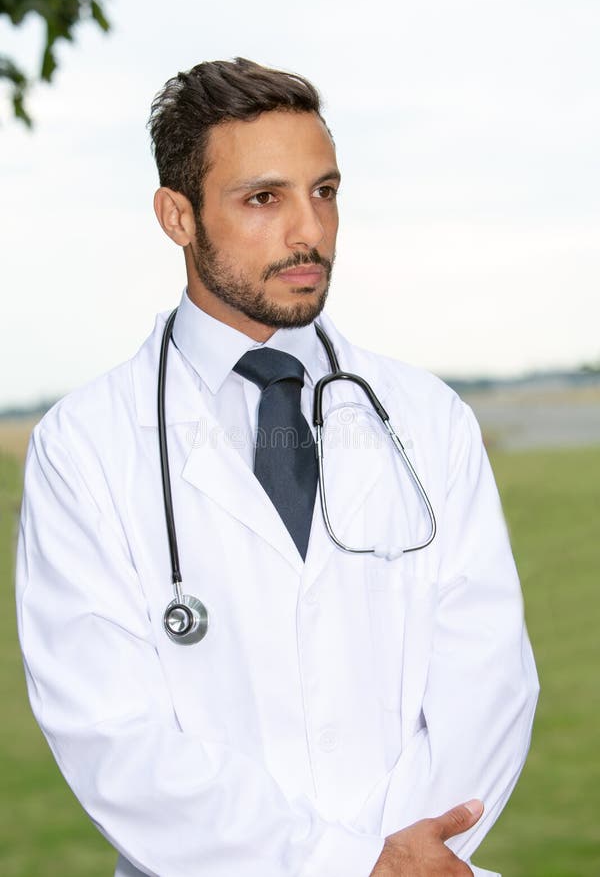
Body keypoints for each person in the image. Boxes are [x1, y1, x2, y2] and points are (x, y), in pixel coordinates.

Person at [15, 58, 539, 877]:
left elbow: (489, 682)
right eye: (265, 198)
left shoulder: (429, 417)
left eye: (324, 192)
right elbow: (112, 737)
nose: (310, 232)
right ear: (177, 216)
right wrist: (343, 865)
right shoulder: (83, 446)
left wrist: (400, 856)